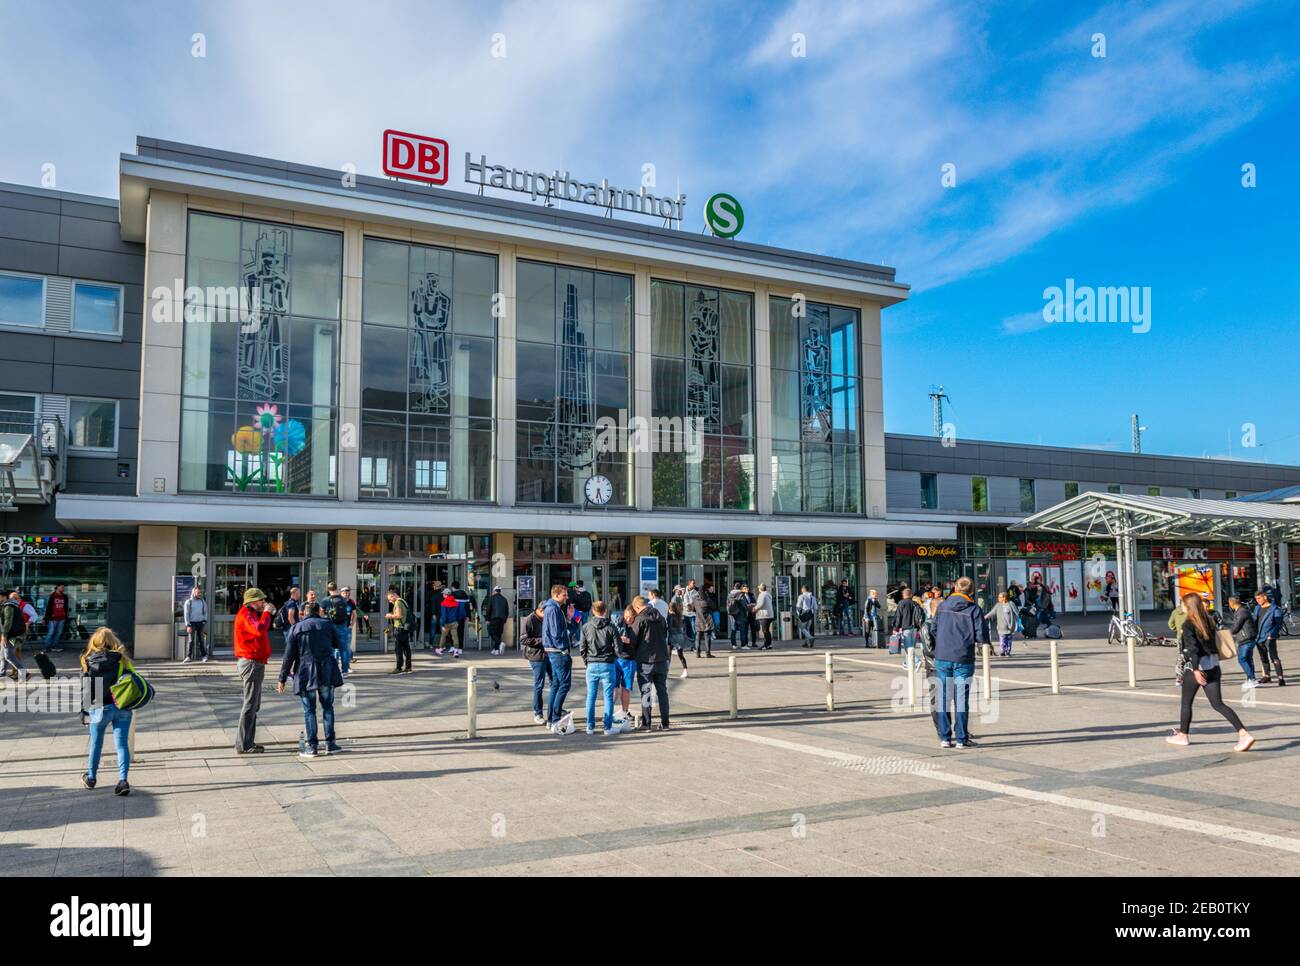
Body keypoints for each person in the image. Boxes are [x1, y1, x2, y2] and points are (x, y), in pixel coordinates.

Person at [1166, 592, 1254, 751]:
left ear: (1189, 606)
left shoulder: (1188, 624)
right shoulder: (1209, 621)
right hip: (1214, 667)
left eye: (1184, 604)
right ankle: (1243, 733)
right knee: (1218, 704)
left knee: (1186, 702)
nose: (1182, 607)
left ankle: (1183, 735)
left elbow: (1193, 649)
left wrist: (1195, 670)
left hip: (1197, 668)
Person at [276, 601, 343, 757]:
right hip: (326, 670)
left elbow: (288, 657)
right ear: (319, 611)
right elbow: (337, 644)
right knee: (328, 707)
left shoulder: (296, 628)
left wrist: (282, 678)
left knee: (309, 710)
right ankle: (330, 743)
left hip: (306, 672)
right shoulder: (328, 625)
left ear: (302, 613)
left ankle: (312, 746)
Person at [78, 627, 135, 795]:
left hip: (99, 708)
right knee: (122, 744)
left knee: (95, 744)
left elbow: (87, 690)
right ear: (113, 642)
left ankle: (91, 778)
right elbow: (132, 680)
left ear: (94, 642)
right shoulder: (122, 660)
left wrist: (84, 713)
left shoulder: (88, 662)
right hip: (122, 706)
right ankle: (123, 781)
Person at [933, 576, 987, 750]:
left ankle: (945, 737)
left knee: (943, 698)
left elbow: (933, 629)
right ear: (971, 591)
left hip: (943, 656)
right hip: (963, 657)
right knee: (961, 699)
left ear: (955, 588)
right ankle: (962, 739)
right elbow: (981, 636)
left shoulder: (942, 606)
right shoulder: (974, 609)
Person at [233, 587, 275, 754]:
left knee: (253, 705)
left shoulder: (249, 614)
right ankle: (244, 744)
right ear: (252, 602)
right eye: (261, 600)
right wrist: (266, 613)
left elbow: (261, 629)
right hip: (251, 664)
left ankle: (247, 741)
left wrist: (266, 614)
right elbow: (259, 629)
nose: (263, 602)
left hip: (254, 663)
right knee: (250, 704)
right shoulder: (246, 615)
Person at [580, 601, 620, 735]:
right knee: (608, 697)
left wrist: (587, 661)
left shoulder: (586, 627)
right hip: (607, 663)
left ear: (593, 611)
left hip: (591, 664)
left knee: (591, 696)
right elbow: (618, 649)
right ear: (605, 611)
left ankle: (589, 726)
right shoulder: (611, 627)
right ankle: (607, 727)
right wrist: (612, 657)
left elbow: (582, 648)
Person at [630, 595, 670, 730]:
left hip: (645, 661)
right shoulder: (661, 618)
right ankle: (665, 723)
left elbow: (633, 640)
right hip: (662, 659)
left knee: (645, 692)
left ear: (637, 607)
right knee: (662, 692)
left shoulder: (639, 619)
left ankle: (646, 723)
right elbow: (664, 635)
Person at [542, 584, 573, 733]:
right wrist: (563, 649)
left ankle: (551, 719)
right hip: (557, 651)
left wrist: (568, 618)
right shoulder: (554, 609)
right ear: (556, 595)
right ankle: (555, 718)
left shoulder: (552, 608)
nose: (567, 597)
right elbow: (555, 632)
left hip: (552, 650)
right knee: (564, 685)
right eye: (564, 595)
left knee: (555, 684)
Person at [520, 603, 550, 725]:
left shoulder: (547, 618)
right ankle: (538, 713)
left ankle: (555, 709)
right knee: (539, 684)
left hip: (549, 654)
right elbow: (523, 639)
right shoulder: (529, 620)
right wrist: (541, 641)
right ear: (540, 610)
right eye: (546, 612)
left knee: (555, 682)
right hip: (536, 655)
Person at [1252, 590, 1286, 686]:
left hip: (1269, 637)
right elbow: (1254, 621)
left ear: (1265, 597)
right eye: (1256, 599)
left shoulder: (1275, 609)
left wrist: (1272, 634)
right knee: (1263, 658)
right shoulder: (1257, 608)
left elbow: (1278, 624)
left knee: (1274, 657)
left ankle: (1281, 678)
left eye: (1259, 598)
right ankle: (1267, 676)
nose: (1257, 600)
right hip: (1258, 637)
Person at [614, 605, 640, 722]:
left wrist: (629, 641)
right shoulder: (617, 622)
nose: (628, 619)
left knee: (626, 688)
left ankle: (624, 711)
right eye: (626, 617)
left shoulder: (636, 625)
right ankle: (609, 711)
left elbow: (640, 642)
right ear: (623, 615)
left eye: (631, 617)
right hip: (617, 659)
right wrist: (619, 639)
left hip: (629, 659)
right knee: (614, 687)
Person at [892, 586, 927, 668]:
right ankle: (908, 663)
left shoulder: (901, 603)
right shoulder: (915, 603)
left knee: (908, 647)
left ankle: (917, 661)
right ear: (911, 595)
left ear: (903, 595)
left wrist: (896, 627)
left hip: (906, 628)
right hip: (914, 628)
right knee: (912, 646)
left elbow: (898, 616)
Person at [2, 589, 30, 681]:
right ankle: (2, 672)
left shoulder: (9, 606)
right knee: (2, 654)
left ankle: (23, 671)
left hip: (13, 636)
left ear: (3, 596)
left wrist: (4, 636)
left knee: (8, 655)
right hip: (10, 634)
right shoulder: (7, 605)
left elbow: (8, 622)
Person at [385, 588, 412, 673]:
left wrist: (390, 616)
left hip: (399, 628)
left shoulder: (398, 602)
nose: (389, 601)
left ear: (393, 595)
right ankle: (408, 667)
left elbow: (399, 615)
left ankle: (398, 667)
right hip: (404, 628)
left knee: (398, 649)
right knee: (406, 648)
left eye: (390, 599)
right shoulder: (403, 601)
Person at [984, 592, 1019, 657]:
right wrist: (984, 617)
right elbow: (992, 612)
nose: (998, 598)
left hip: (1010, 626)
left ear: (1004, 598)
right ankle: (1003, 651)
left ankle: (1008, 651)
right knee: (1002, 639)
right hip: (1001, 626)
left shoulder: (1010, 604)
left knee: (1009, 639)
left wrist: (1018, 621)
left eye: (1000, 597)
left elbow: (1016, 612)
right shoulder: (998, 605)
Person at [182, 584, 209, 663]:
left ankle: (204, 656)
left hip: (200, 623)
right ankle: (188, 656)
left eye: (200, 593)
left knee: (201, 640)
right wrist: (188, 625)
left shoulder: (202, 601)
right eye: (198, 592)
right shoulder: (188, 602)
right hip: (192, 624)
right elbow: (186, 614)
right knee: (191, 641)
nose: (199, 594)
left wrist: (204, 620)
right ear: (194, 593)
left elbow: (205, 612)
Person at [435, 587, 462, 656]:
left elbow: (444, 615)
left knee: (443, 636)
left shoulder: (444, 603)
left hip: (446, 623)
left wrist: (442, 624)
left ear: (445, 594)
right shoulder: (456, 602)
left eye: (443, 594)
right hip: (454, 622)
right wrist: (458, 621)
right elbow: (459, 613)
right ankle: (456, 651)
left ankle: (440, 649)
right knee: (455, 636)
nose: (443, 595)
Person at [691, 583, 715, 658]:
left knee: (697, 638)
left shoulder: (695, 599)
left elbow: (693, 609)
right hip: (707, 621)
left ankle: (697, 653)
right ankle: (708, 653)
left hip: (698, 620)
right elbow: (714, 607)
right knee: (707, 637)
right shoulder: (707, 600)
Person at [666, 597, 689, 679]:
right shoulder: (679, 615)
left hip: (672, 636)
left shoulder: (670, 616)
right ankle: (685, 670)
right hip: (680, 636)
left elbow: (669, 626)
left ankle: (666, 671)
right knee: (680, 655)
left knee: (668, 655)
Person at [483, 586, 510, 656]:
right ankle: (496, 650)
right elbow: (507, 610)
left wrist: (487, 619)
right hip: (502, 619)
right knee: (498, 634)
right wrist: (505, 619)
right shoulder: (504, 599)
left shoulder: (491, 598)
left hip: (494, 618)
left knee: (492, 633)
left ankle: (500, 643)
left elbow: (488, 609)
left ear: (494, 591)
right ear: (500, 591)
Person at [43, 583, 69, 652]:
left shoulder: (65, 597)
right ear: (57, 587)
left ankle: (54, 646)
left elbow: (66, 607)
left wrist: (66, 616)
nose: (63, 589)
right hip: (53, 618)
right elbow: (48, 608)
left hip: (62, 618)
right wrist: (45, 618)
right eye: (62, 587)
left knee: (58, 633)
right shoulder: (52, 596)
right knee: (51, 632)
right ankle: (46, 647)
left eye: (64, 587)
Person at [727, 581, 751, 649]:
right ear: (740, 588)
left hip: (732, 614)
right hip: (740, 614)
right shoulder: (740, 594)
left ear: (734, 587)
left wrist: (729, 612)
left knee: (733, 629)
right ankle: (743, 645)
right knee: (742, 629)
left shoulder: (730, 594)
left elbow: (728, 604)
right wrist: (749, 608)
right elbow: (744, 604)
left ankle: (733, 644)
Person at [450, 580, 474, 649]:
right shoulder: (464, 594)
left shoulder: (452, 595)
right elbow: (467, 606)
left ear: (452, 587)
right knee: (461, 631)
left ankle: (453, 646)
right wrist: (468, 616)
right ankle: (460, 647)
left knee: (453, 631)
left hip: (453, 616)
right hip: (462, 616)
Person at [753, 583, 774, 650]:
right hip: (769, 615)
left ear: (760, 589)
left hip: (764, 615)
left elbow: (760, 604)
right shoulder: (768, 594)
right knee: (767, 630)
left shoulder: (762, 594)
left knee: (765, 631)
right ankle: (769, 644)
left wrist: (755, 608)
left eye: (759, 588)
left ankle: (766, 645)